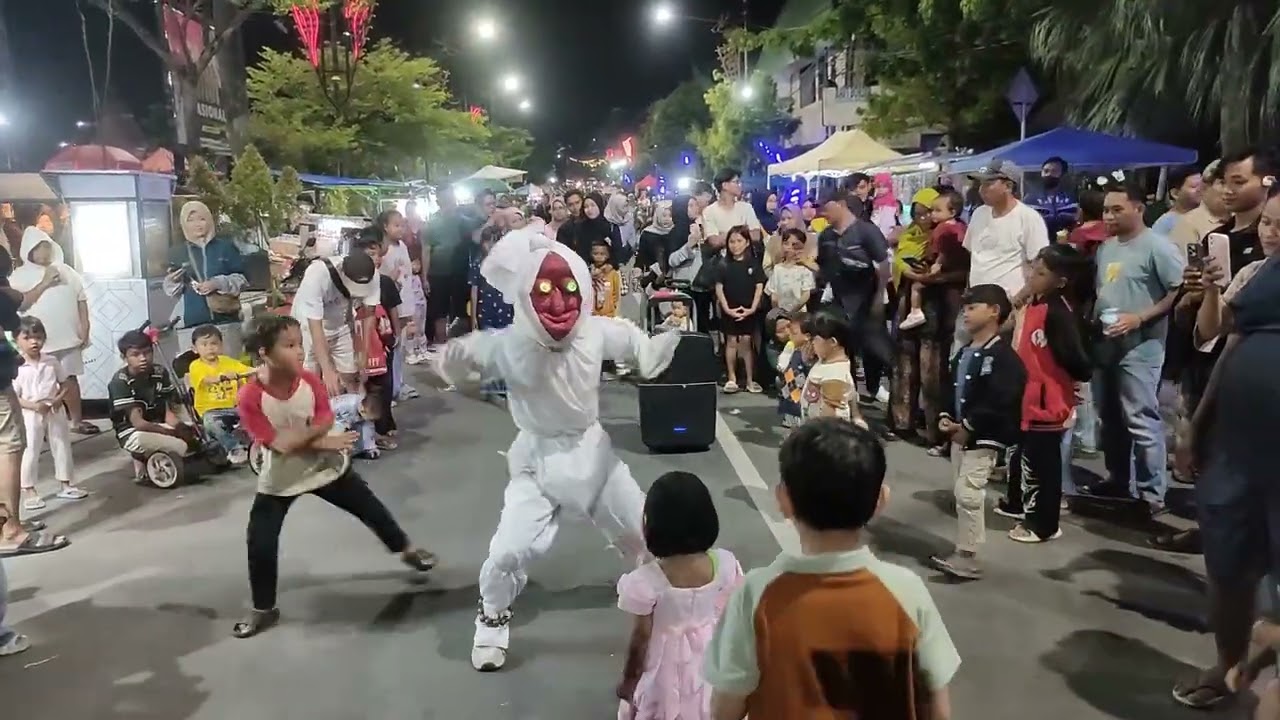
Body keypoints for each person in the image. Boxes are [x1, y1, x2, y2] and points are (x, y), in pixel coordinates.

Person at [432, 225, 681, 672]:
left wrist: (652, 351)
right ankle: (491, 617)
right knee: (508, 551)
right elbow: (457, 357)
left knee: (645, 532)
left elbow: (634, 341)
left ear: (583, 288)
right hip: (537, 460)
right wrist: (455, 371)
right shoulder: (508, 343)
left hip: (592, 452)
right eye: (543, 289)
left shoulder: (595, 332)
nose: (559, 301)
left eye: (569, 288)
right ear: (526, 293)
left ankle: (658, 597)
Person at [704, 418, 961, 719]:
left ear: (783, 500)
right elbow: (935, 705)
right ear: (881, 500)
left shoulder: (755, 594)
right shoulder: (907, 592)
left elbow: (727, 706)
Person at [232, 314, 437, 638]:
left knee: (369, 507)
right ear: (264, 353)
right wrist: (321, 439)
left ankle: (408, 550)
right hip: (282, 477)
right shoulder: (250, 397)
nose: (300, 352)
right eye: (289, 346)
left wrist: (313, 436)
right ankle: (263, 609)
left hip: (324, 467)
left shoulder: (310, 382)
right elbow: (282, 444)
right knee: (260, 541)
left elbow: (323, 421)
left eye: (300, 344)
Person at [1171, 157, 1279, 710]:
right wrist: (1196, 424)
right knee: (1227, 567)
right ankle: (1229, 662)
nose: (1272, 233)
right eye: (1270, 225)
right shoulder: (1256, 273)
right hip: (1236, 450)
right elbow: (1222, 343)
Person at [1084, 183, 1184, 515]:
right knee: (1109, 416)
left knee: (1141, 418)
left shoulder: (1158, 247)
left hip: (1141, 348)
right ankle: (1117, 478)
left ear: (1138, 209)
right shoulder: (1106, 248)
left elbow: (1178, 291)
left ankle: (1151, 494)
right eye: (1106, 210)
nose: (1109, 216)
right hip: (1105, 344)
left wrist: (1139, 318)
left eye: (1117, 209)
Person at [614, 470, 742, 719]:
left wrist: (629, 680)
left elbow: (640, 639)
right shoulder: (725, 564)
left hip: (664, 664)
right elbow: (733, 613)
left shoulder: (645, 581)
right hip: (711, 653)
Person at [930, 284, 1025, 580]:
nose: (965, 313)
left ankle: (968, 556)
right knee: (962, 493)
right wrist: (946, 416)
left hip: (985, 436)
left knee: (968, 492)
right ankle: (963, 548)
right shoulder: (965, 354)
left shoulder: (1003, 358)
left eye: (973, 307)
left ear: (995, 311)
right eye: (965, 308)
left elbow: (1001, 397)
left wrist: (969, 425)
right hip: (962, 436)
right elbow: (950, 388)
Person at [999, 246, 1092, 542]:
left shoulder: (1058, 313)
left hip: (1046, 400)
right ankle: (1022, 507)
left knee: (1044, 464)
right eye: (1033, 270)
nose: (1032, 277)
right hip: (1028, 397)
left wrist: (1066, 384)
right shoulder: (1035, 305)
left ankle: (1044, 525)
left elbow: (1077, 360)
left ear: (1060, 280)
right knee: (1026, 458)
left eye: (1040, 273)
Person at [10, 227, 98, 435]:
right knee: (40, 381)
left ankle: (76, 420)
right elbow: (22, 304)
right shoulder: (19, 276)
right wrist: (45, 282)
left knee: (69, 379)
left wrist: (85, 327)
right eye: (39, 248)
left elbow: (81, 299)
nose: (44, 252)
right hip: (38, 341)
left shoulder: (66, 270)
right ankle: (41, 425)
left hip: (68, 337)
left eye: (46, 247)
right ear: (29, 251)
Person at [816, 189, 892, 410]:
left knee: (879, 353)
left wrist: (879, 297)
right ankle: (847, 406)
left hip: (866, 303)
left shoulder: (867, 232)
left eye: (827, 207)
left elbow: (884, 265)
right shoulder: (827, 236)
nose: (823, 213)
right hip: (838, 304)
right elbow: (823, 268)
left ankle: (880, 394)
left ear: (840, 204)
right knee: (841, 356)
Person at [13, 317, 86, 510]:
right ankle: (29, 489)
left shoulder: (51, 361)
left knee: (61, 445)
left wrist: (57, 399)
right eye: (27, 337)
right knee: (31, 450)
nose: (34, 342)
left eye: (38, 337)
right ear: (17, 340)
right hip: (30, 412)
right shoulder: (16, 366)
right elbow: (13, 396)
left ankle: (66, 484)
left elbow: (65, 384)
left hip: (54, 409)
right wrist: (33, 406)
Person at [289, 248, 380, 396]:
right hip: (309, 326)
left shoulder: (372, 274)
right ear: (342, 273)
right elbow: (315, 326)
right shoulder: (317, 275)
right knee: (310, 379)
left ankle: (347, 411)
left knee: (351, 373)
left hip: (342, 323)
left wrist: (364, 351)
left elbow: (369, 315)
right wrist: (327, 369)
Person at [162, 200, 248, 353]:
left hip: (225, 322)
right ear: (183, 224)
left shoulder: (225, 247)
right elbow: (172, 292)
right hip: (191, 326)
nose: (197, 224)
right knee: (197, 374)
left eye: (201, 219)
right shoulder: (177, 252)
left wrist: (217, 283)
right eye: (191, 220)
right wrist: (173, 281)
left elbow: (243, 279)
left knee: (229, 372)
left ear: (209, 220)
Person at [108, 330, 200, 472]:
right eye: (135, 355)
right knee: (180, 446)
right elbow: (138, 423)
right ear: (124, 357)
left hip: (156, 423)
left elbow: (167, 411)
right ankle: (145, 461)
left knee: (195, 434)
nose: (143, 358)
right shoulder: (120, 382)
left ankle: (148, 458)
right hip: (132, 432)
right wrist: (169, 433)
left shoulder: (159, 372)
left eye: (147, 352)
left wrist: (180, 427)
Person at [187, 324, 254, 465]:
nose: (210, 348)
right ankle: (234, 448)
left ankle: (264, 440)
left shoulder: (227, 362)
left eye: (214, 343)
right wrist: (223, 377)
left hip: (234, 406)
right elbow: (207, 380)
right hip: (211, 410)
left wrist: (258, 370)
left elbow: (246, 370)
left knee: (257, 408)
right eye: (204, 345)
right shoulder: (196, 366)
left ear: (221, 346)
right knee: (210, 422)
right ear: (195, 349)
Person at [901, 190, 967, 331]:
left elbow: (943, 253)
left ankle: (915, 312)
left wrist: (935, 270)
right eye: (917, 214)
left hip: (948, 292)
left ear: (952, 211)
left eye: (934, 211)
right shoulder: (910, 232)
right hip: (935, 288)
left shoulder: (944, 230)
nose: (927, 217)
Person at [374, 210, 419, 403]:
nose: (401, 229)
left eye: (402, 225)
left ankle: (399, 383)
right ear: (385, 226)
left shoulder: (402, 246)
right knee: (390, 346)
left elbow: (406, 274)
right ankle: (390, 387)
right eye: (396, 225)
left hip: (404, 302)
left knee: (400, 346)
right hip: (389, 304)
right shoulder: (383, 250)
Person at [798, 309, 869, 430]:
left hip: (823, 436)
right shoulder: (828, 362)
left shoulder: (835, 375)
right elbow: (851, 399)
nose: (811, 343)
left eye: (814, 339)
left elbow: (829, 414)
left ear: (832, 342)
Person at [715, 226, 764, 394]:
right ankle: (731, 377)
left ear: (747, 242)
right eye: (731, 242)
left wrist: (752, 308)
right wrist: (727, 308)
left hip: (748, 310)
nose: (735, 245)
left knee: (746, 343)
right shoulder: (724, 265)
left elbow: (759, 286)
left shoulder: (753, 264)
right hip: (730, 309)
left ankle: (750, 379)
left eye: (739, 241)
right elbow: (719, 288)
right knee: (731, 342)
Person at [423, 189, 474, 346]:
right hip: (438, 273)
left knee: (463, 310)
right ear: (438, 201)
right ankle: (441, 345)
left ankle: (461, 345)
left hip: (461, 272)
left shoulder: (465, 221)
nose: (449, 202)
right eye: (444, 198)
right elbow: (426, 250)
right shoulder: (430, 223)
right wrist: (424, 277)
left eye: (450, 198)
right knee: (439, 312)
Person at [701, 168, 762, 246]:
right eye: (736, 182)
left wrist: (724, 235)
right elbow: (714, 241)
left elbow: (756, 235)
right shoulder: (709, 211)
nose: (740, 185)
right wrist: (744, 233)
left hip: (747, 256)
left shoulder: (746, 208)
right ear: (725, 185)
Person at [763, 228, 815, 315]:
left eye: (794, 244)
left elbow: (806, 294)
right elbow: (774, 294)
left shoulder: (804, 269)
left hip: (799, 314)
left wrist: (792, 311)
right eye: (786, 243)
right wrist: (777, 312)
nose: (789, 247)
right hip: (780, 314)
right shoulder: (777, 269)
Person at [1024, 156, 1078, 238]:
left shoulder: (1071, 199)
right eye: (1046, 171)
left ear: (1062, 174)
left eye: (1054, 171)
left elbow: (1076, 221)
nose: (1049, 174)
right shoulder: (1030, 199)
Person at [776, 311, 810, 430]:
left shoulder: (809, 354)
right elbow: (782, 363)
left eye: (794, 333)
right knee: (791, 420)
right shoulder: (791, 347)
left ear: (807, 336)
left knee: (802, 424)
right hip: (789, 390)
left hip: (802, 396)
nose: (790, 335)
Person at [1152, 166, 1204, 237]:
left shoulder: (1206, 216)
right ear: (1175, 193)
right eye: (1194, 186)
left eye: (1202, 185)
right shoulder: (1165, 224)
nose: (1200, 190)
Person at [1064, 189, 1109, 257]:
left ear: (1082, 210)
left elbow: (1071, 256)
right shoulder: (1110, 228)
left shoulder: (1078, 233)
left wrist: (1063, 245)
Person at [402, 257, 430, 365]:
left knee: (421, 327)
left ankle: (423, 350)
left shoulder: (417, 278)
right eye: (415, 263)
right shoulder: (406, 277)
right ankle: (410, 353)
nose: (417, 266)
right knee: (412, 327)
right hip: (411, 304)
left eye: (419, 264)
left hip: (421, 303)